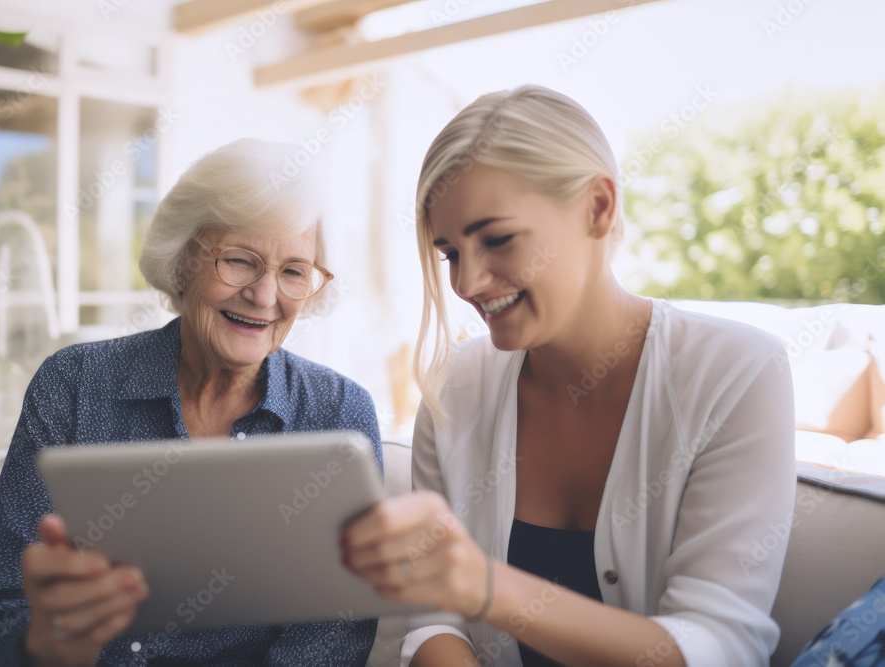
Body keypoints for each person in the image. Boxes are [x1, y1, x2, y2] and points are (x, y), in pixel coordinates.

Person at [341, 85, 796, 667]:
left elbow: (718, 646)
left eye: (498, 240)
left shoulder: (738, 373)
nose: (467, 283)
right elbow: (433, 623)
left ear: (598, 208)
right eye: (450, 253)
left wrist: (486, 586)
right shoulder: (454, 386)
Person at [0, 139, 383, 667]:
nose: (265, 296)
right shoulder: (74, 386)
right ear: (182, 261)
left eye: (293, 271)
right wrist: (45, 645)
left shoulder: (338, 415)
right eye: (239, 260)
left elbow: (331, 640)